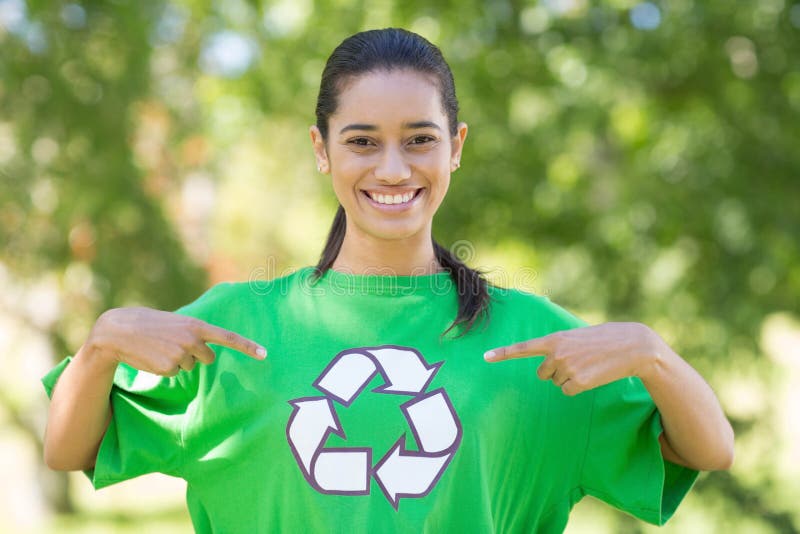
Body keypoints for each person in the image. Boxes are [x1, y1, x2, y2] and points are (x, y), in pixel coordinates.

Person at [41, 27, 734, 533]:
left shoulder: (533, 340)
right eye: (363, 140)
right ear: (322, 150)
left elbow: (705, 450)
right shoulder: (234, 326)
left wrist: (652, 352)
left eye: (421, 139)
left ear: (456, 148)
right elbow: (70, 447)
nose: (394, 170)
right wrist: (101, 346)